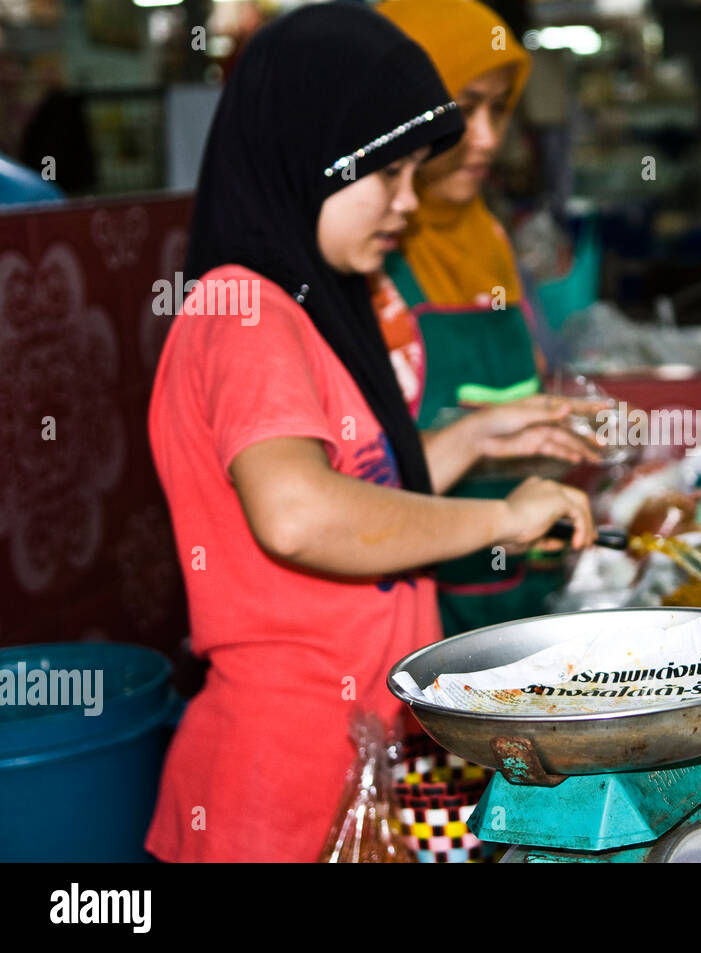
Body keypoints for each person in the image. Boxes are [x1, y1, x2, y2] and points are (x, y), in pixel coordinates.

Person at [145, 2, 596, 863]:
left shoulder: (307, 308)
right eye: (385, 176)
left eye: (415, 173)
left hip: (349, 760)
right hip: (272, 794)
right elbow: (303, 515)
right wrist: (501, 520)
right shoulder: (245, 311)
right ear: (310, 158)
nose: (407, 204)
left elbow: (359, 487)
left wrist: (476, 435)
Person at [373, 0, 576, 636]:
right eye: (462, 109)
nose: (487, 137)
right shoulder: (365, 253)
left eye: (497, 108)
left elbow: (526, 377)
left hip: (526, 591)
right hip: (420, 614)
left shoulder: (489, 236)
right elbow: (348, 490)